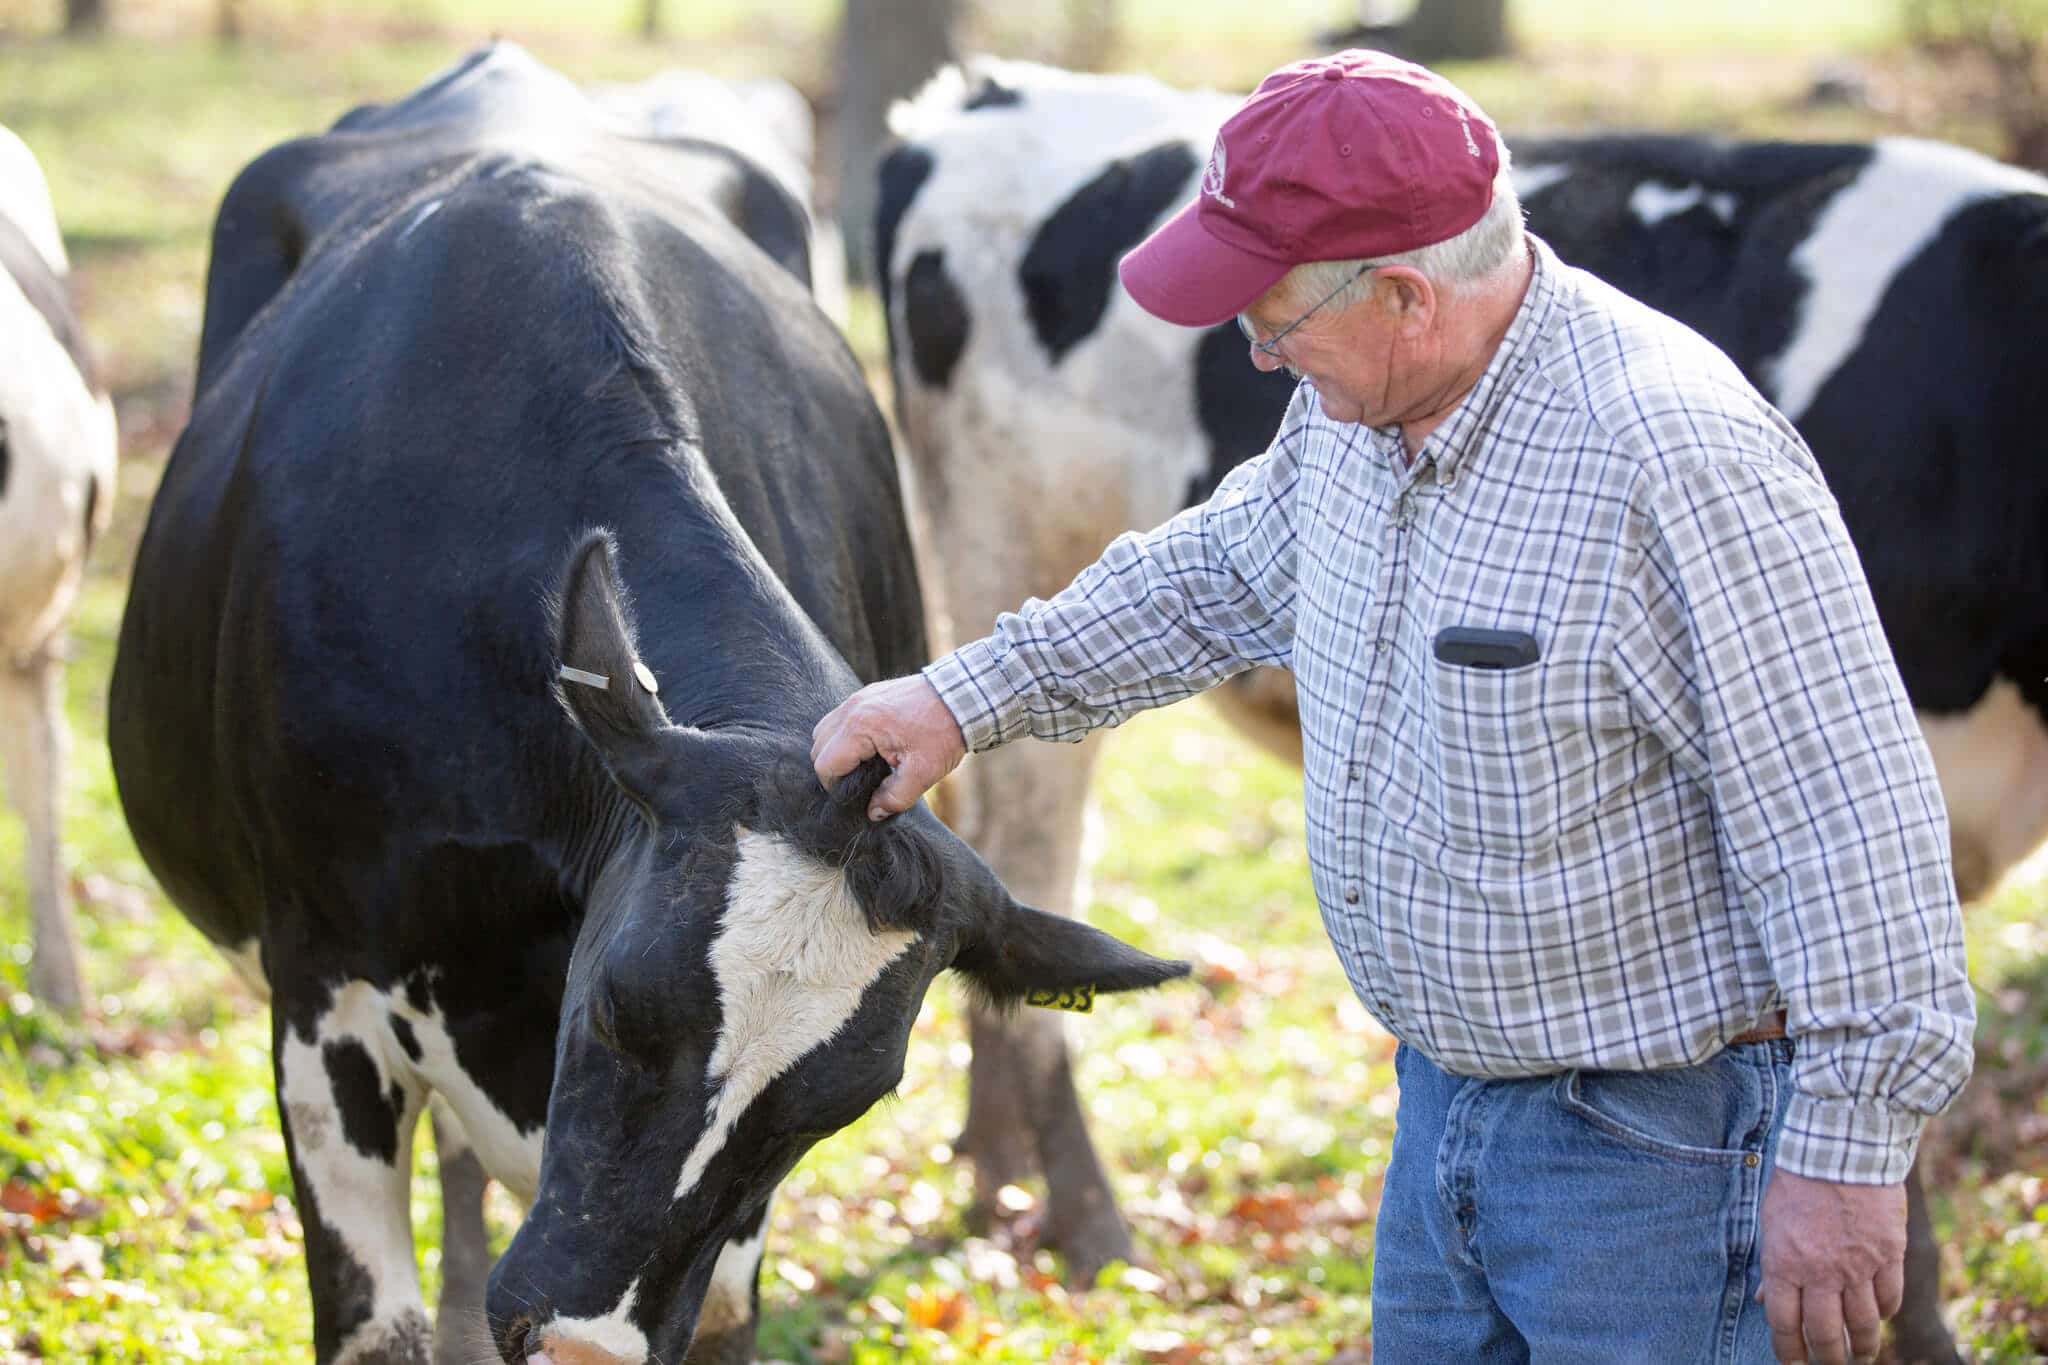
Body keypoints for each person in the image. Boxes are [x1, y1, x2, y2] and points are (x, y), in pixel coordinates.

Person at [812, 49, 1974, 1365]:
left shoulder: (1673, 456)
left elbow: (1856, 830)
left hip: (1654, 1160)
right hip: (1442, 1118)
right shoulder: (1360, 415)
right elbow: (1207, 579)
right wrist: (958, 700)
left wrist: (1847, 1157)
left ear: (1407, 293)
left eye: (1272, 315)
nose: (1252, 350)